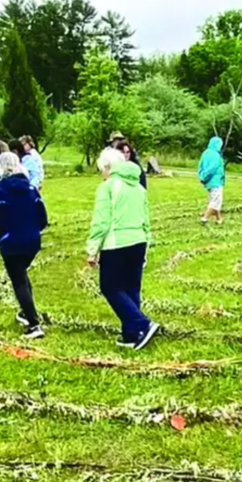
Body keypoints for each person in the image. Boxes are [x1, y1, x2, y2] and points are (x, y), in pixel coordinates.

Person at [87, 148, 159, 351]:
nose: (103, 173)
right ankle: (131, 335)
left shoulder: (107, 187)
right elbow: (146, 220)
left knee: (110, 287)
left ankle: (143, 324)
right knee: (130, 287)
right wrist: (146, 244)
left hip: (116, 244)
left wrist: (93, 250)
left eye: (102, 169)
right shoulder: (139, 187)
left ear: (108, 167)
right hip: (138, 242)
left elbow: (101, 222)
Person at [0, 152, 49, 339]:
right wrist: (35, 230)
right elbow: (42, 216)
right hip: (32, 241)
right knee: (22, 275)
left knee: (19, 280)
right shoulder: (31, 188)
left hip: (11, 242)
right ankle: (26, 312)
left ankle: (34, 324)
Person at [197, 136, 225, 225]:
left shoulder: (205, 153)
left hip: (208, 182)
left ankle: (219, 219)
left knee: (214, 200)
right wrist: (207, 176)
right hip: (215, 181)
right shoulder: (216, 155)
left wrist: (202, 177)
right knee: (216, 201)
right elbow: (212, 169)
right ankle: (204, 218)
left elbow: (200, 166)